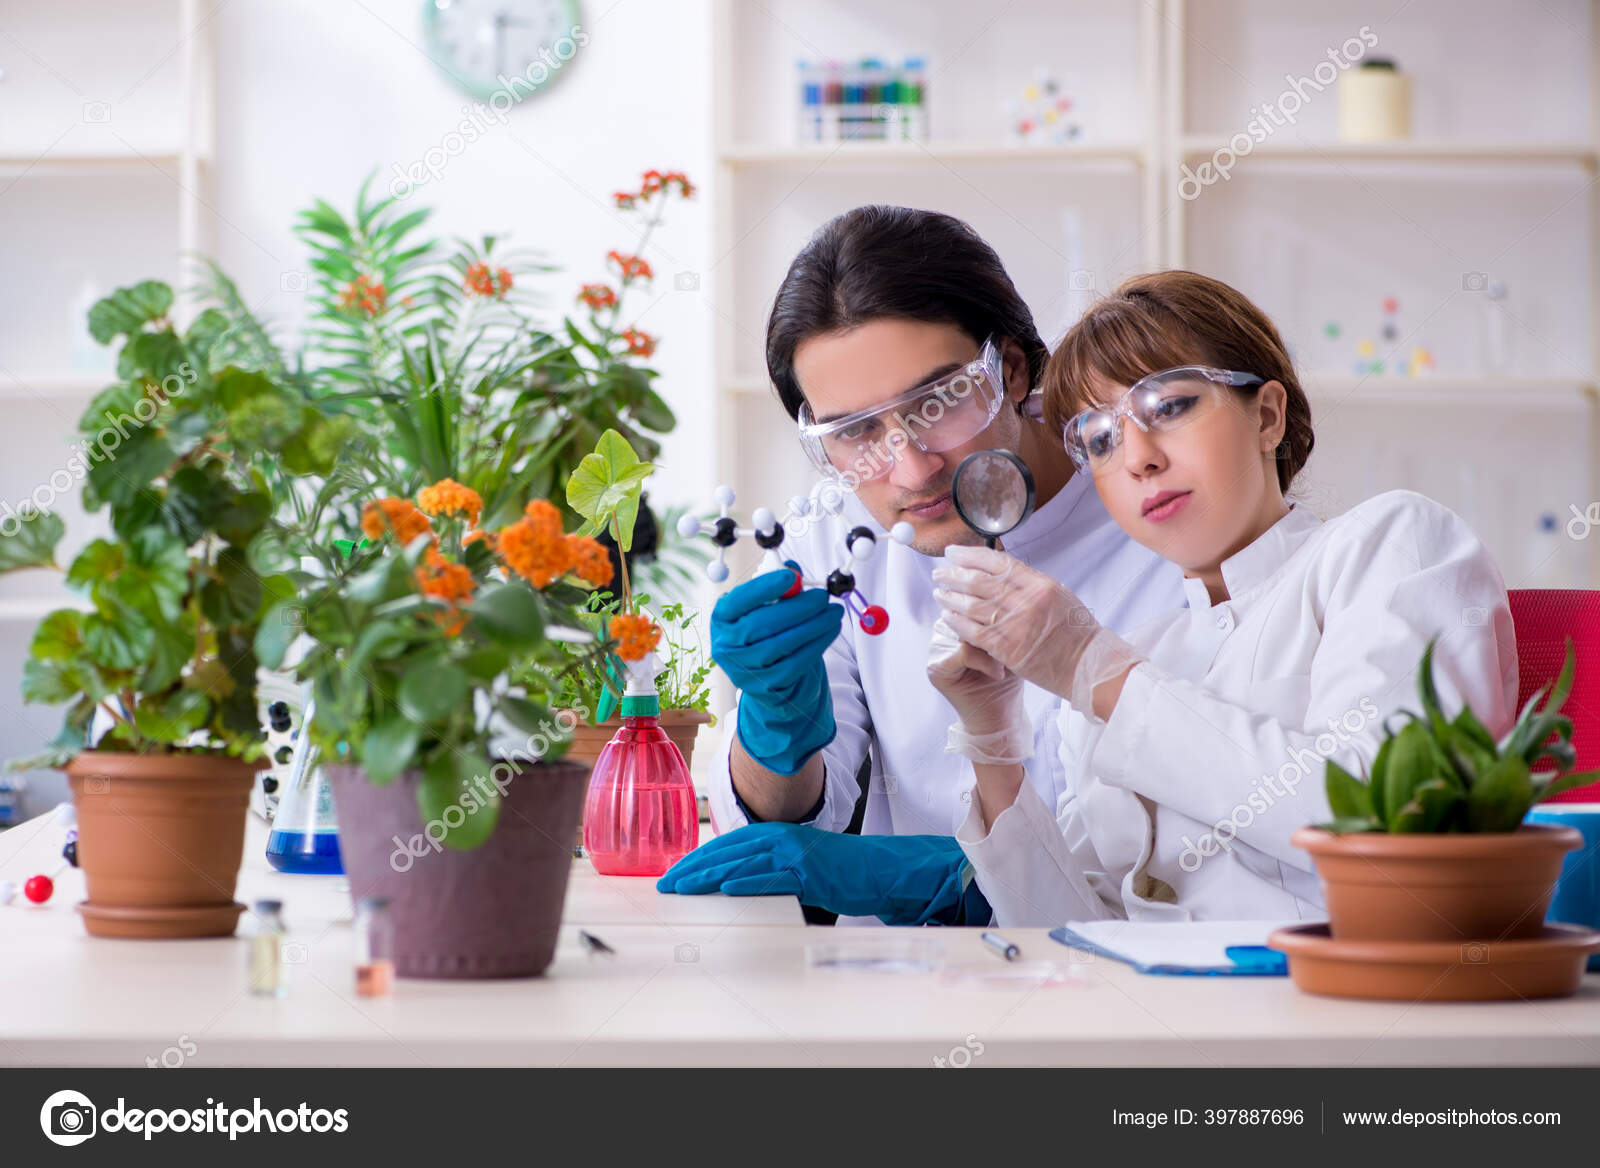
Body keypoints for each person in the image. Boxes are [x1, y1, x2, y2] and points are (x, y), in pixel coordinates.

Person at [927, 270, 1518, 926]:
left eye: (1170, 407)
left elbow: (1392, 831)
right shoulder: (1138, 657)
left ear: (1267, 416)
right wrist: (992, 738)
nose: (1138, 459)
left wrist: (1095, 672)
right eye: (1101, 439)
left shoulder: (1389, 543)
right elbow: (1070, 935)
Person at [657, 206, 1185, 923]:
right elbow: (782, 828)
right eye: (855, 431)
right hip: (902, 986)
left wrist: (969, 880)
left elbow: (1199, 846)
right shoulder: (833, 544)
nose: (909, 468)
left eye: (938, 401)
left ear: (1014, 370)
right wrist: (773, 727)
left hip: (1123, 981)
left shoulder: (1157, 516)